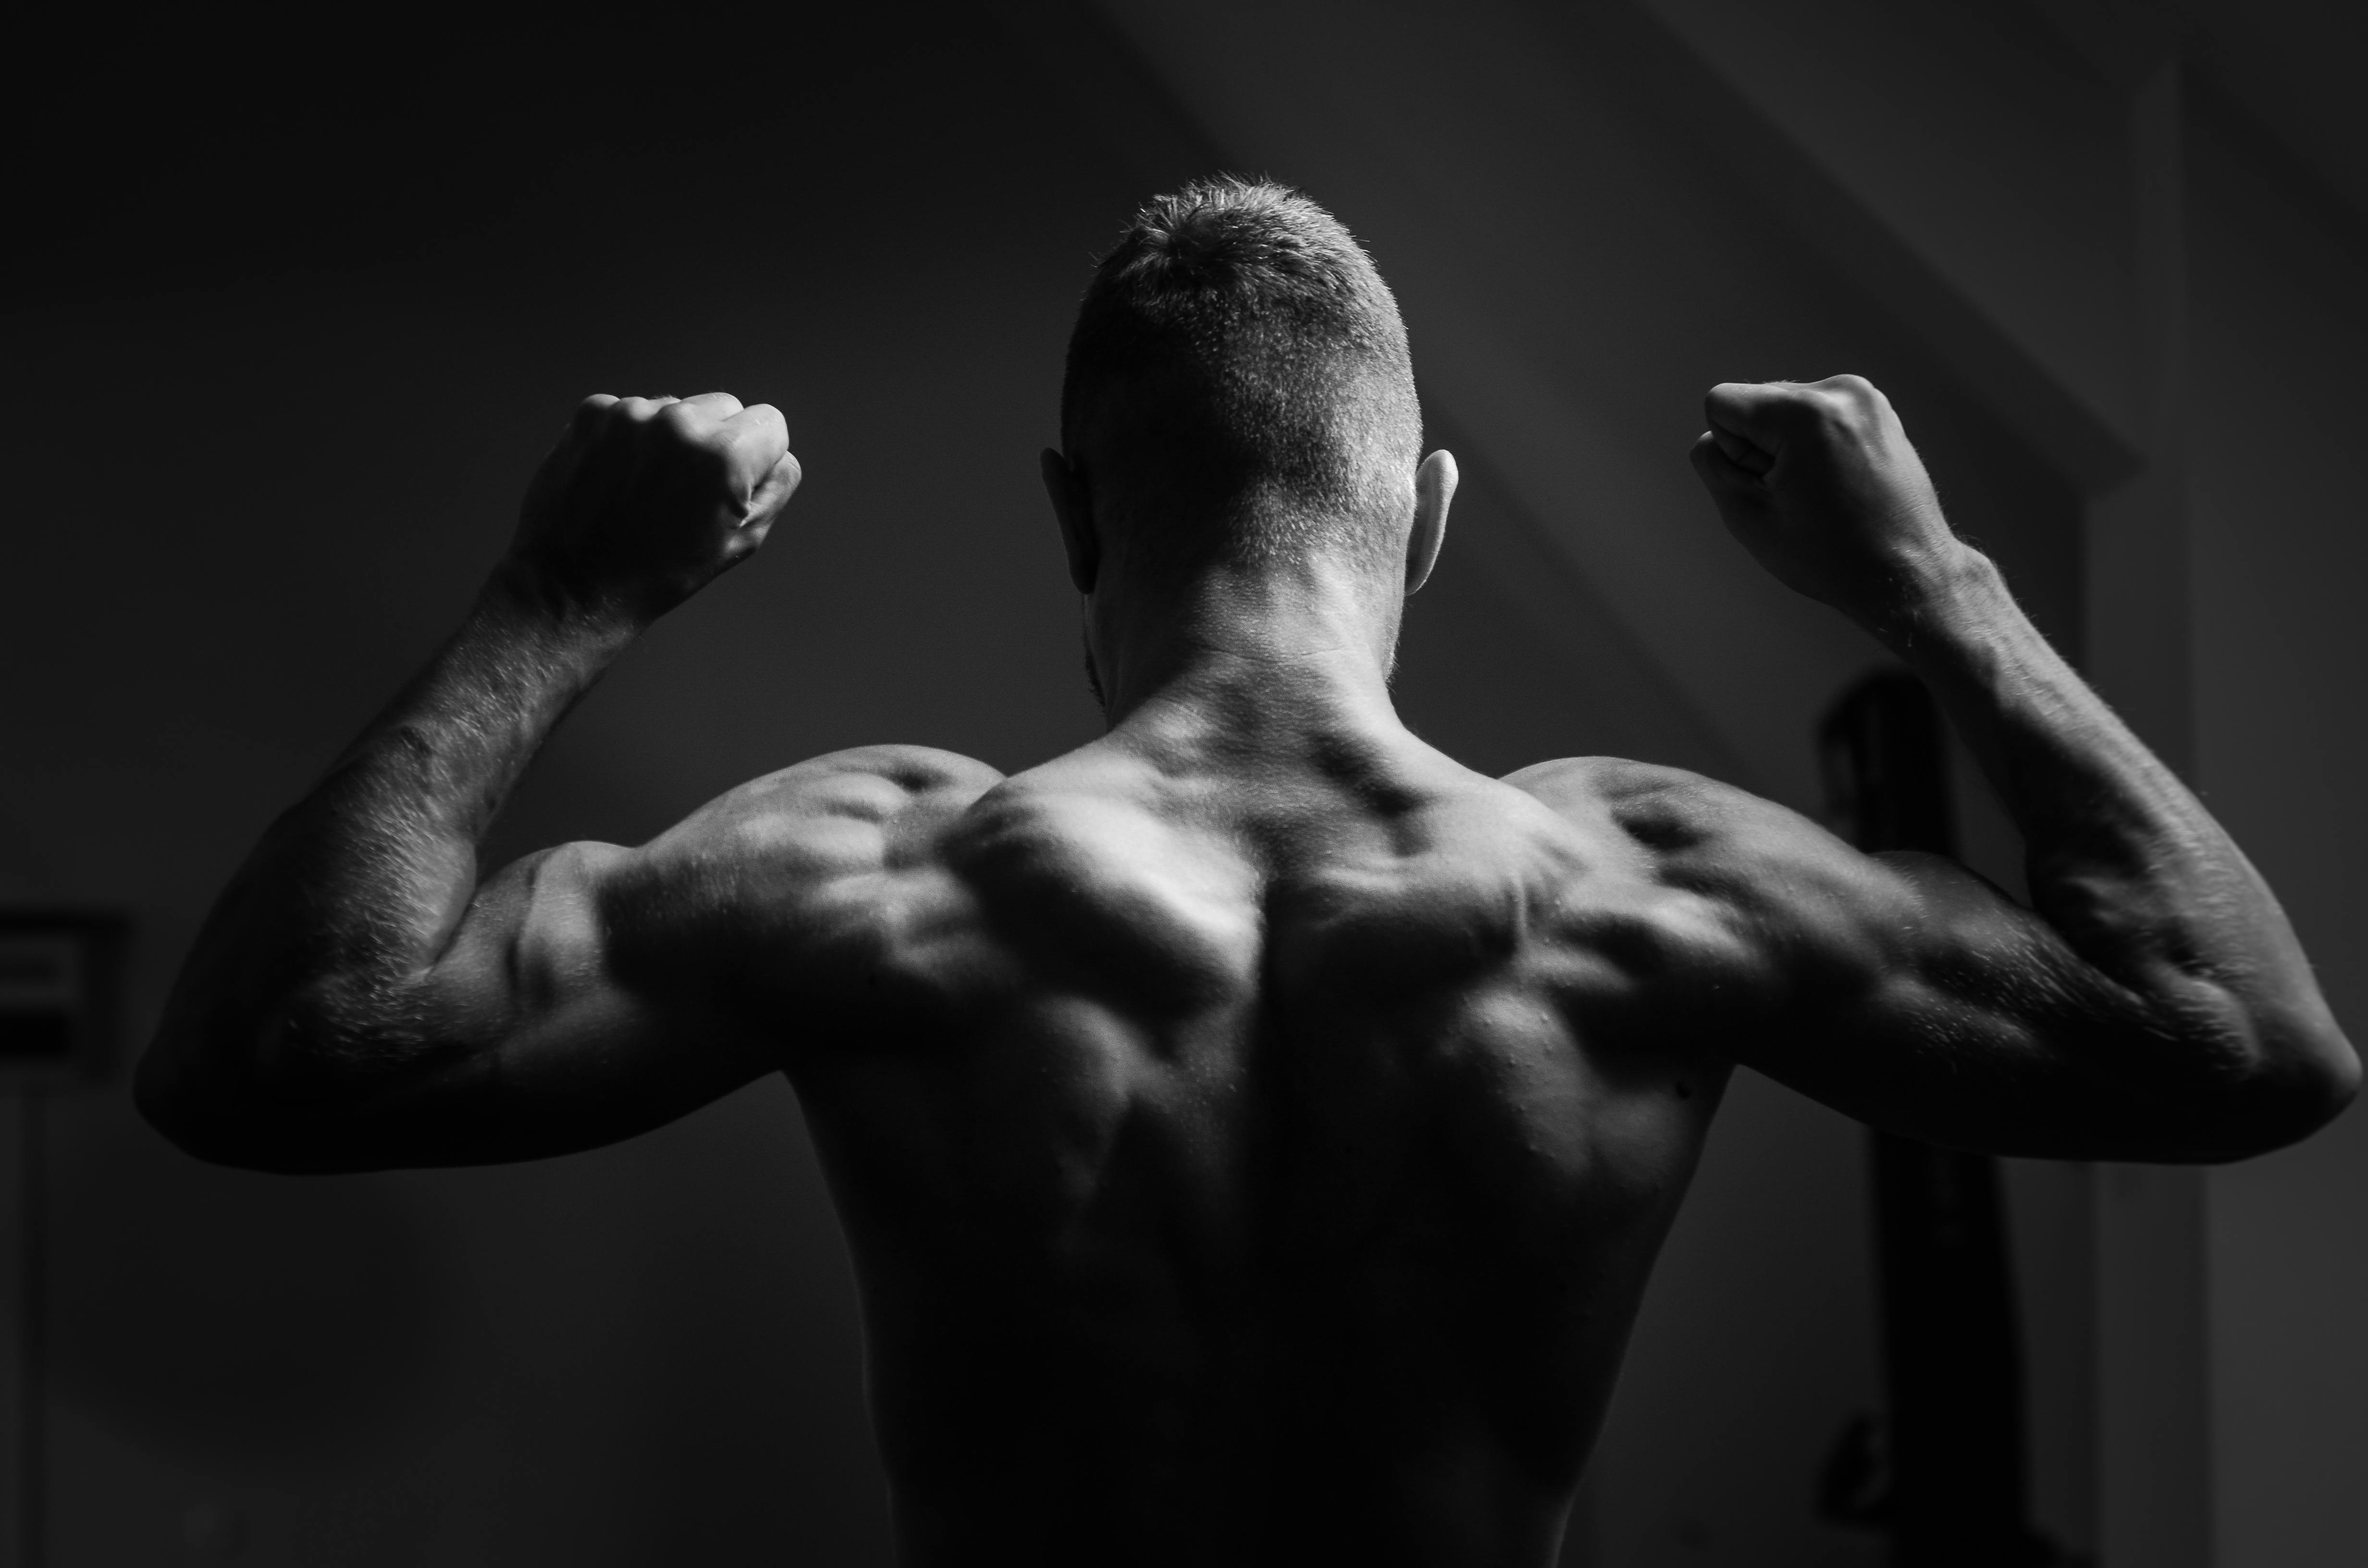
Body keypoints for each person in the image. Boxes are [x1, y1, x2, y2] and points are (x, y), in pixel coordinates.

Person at [136, 177, 2356, 1567]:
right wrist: (1934, 585)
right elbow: (2240, 1040)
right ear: (1434, 517)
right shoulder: (1638, 882)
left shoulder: (891, 869)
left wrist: (559, 594)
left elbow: (264, 1057)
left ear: (1070, 514)